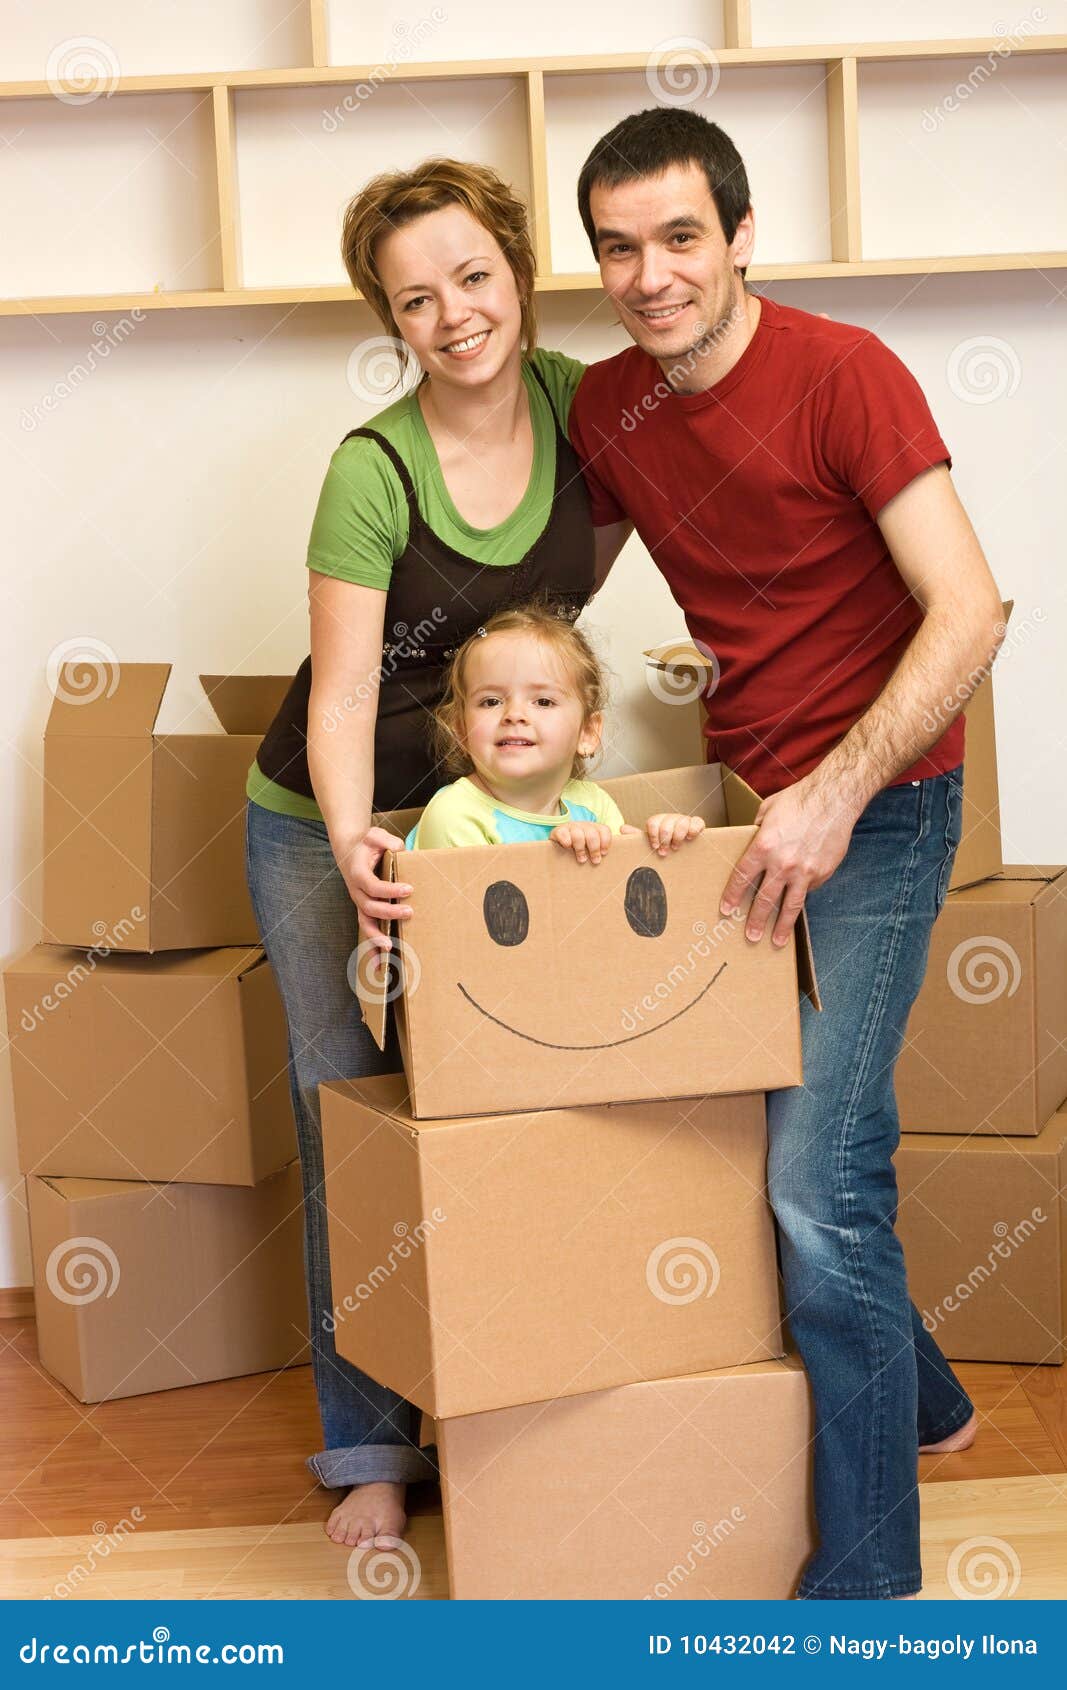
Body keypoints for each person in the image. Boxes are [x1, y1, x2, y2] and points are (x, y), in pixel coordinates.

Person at [564, 106, 1005, 1599]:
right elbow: (530, 589)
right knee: (755, 1147)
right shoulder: (608, 411)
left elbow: (971, 611)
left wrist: (828, 791)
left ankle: (869, 1582)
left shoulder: (842, 375)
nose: (650, 274)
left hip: (876, 805)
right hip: (745, 816)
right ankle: (928, 1404)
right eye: (616, 247)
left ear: (739, 237)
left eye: (680, 237)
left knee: (818, 1180)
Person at [244, 159, 630, 1551]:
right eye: (416, 298)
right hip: (330, 822)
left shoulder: (599, 411)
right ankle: (366, 1445)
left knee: (523, 1103)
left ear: (519, 268)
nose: (453, 314)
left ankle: (520, 1404)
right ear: (390, 320)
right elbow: (344, 694)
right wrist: (356, 840)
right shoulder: (373, 467)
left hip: (508, 816)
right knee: (349, 1115)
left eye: (472, 276)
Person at [403, 603, 705, 858]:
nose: (514, 715)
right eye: (491, 701)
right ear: (461, 731)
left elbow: (624, 899)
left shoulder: (592, 804)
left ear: (587, 733)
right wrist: (564, 863)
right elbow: (475, 919)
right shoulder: (455, 815)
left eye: (544, 701)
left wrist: (662, 843)